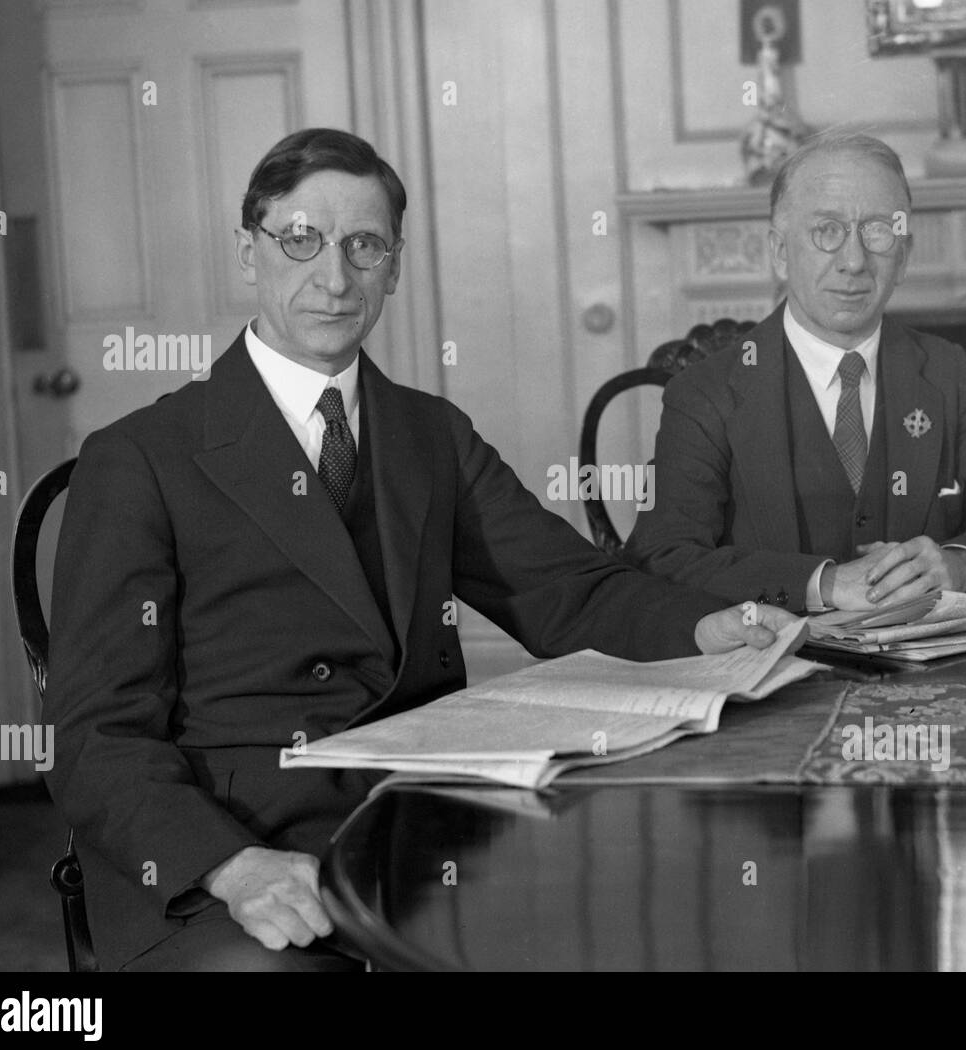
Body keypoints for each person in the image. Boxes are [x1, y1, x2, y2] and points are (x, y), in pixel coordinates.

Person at [42, 128, 794, 972]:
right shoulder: (141, 456)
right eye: (301, 240)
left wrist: (706, 627)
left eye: (364, 245)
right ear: (249, 252)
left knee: (638, 919)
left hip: (414, 826)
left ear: (394, 266)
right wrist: (232, 867)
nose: (335, 278)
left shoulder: (431, 433)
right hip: (225, 858)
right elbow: (96, 735)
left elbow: (564, 587)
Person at [623, 131, 966, 613]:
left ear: (903, 256)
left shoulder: (947, 372)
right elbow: (660, 557)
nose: (855, 261)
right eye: (827, 230)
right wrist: (822, 584)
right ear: (780, 252)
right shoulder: (705, 393)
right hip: (778, 656)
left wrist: (962, 565)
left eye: (878, 231)